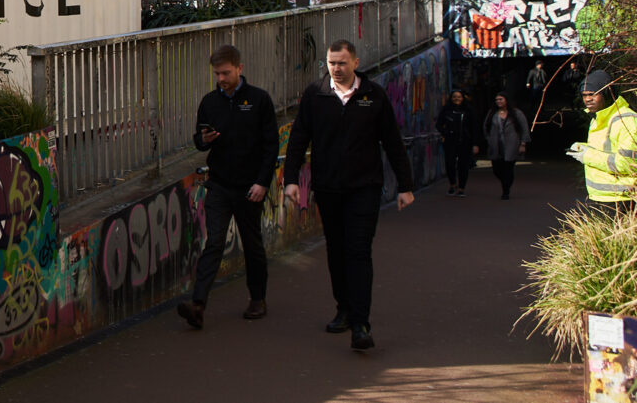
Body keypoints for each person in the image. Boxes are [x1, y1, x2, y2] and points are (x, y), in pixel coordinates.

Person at [283, 39, 415, 352]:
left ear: (355, 62)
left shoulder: (373, 95)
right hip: (328, 187)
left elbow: (393, 143)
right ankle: (343, 308)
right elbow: (299, 138)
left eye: (342, 63)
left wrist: (406, 186)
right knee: (336, 251)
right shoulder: (316, 95)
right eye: (331, 63)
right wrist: (291, 180)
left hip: (364, 187)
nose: (337, 69)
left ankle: (360, 323)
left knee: (358, 251)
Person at [176, 44, 278, 329]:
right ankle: (198, 304)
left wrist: (262, 182)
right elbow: (198, 138)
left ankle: (258, 299)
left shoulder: (259, 100)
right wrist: (204, 140)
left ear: (239, 69)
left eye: (226, 73)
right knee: (214, 243)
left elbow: (271, 146)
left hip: (249, 188)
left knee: (252, 244)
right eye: (217, 73)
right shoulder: (210, 102)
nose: (221, 78)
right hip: (219, 185)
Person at [567, 69, 637, 213]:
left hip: (621, 200)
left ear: (606, 93)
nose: (587, 99)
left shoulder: (626, 120)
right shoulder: (598, 118)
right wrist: (584, 148)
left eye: (592, 94)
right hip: (601, 198)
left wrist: (587, 156)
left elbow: (628, 164)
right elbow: (606, 150)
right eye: (584, 95)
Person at [481, 92, 529, 200]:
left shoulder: (516, 113)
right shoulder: (492, 113)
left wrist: (523, 143)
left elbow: (524, 128)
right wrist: (489, 139)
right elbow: (485, 127)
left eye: (501, 99)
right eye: (497, 100)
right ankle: (505, 182)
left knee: (508, 168)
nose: (498, 101)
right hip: (496, 145)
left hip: (512, 144)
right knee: (496, 169)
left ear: (506, 100)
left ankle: (506, 190)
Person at [435, 89, 476, 197]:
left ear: (463, 98)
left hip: (465, 141)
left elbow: (473, 127)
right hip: (450, 141)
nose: (456, 99)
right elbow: (438, 124)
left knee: (463, 165)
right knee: (450, 163)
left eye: (459, 97)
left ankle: (462, 187)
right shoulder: (446, 110)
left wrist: (475, 143)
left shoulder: (468, 111)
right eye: (454, 97)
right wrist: (445, 132)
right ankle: (453, 184)